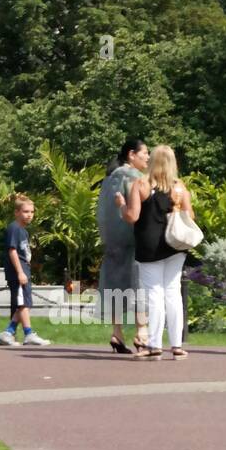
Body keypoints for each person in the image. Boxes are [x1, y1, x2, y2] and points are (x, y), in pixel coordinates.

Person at [116, 144, 195, 360]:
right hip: (175, 246)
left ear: (153, 162)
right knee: (173, 292)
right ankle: (177, 345)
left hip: (149, 246)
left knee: (155, 294)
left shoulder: (141, 184)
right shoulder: (179, 187)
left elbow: (132, 216)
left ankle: (154, 344)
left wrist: (121, 205)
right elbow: (190, 217)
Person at [97, 137, 150, 354]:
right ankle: (142, 332)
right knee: (138, 285)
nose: (148, 157)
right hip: (134, 239)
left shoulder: (108, 180)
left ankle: (117, 333)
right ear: (131, 154)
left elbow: (101, 213)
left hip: (112, 241)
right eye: (144, 152)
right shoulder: (136, 178)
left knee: (114, 285)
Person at [0, 195, 52, 347]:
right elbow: (12, 251)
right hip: (18, 271)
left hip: (23, 270)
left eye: (32, 212)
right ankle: (28, 334)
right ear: (17, 212)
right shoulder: (14, 228)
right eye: (26, 211)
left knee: (23, 303)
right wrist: (20, 272)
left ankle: (8, 333)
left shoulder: (23, 231)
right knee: (23, 304)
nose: (30, 215)